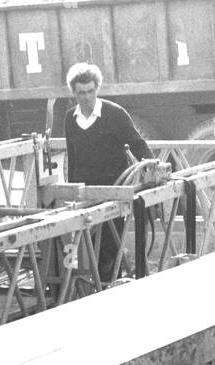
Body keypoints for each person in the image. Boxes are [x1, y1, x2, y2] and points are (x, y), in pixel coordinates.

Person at [62, 62, 151, 283]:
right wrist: (71, 192)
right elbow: (72, 158)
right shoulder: (70, 119)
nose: (87, 97)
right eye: (81, 93)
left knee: (111, 247)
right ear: (74, 93)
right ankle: (89, 288)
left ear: (97, 89)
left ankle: (110, 289)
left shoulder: (114, 114)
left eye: (91, 91)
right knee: (85, 248)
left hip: (114, 193)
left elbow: (138, 144)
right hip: (86, 196)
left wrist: (153, 168)